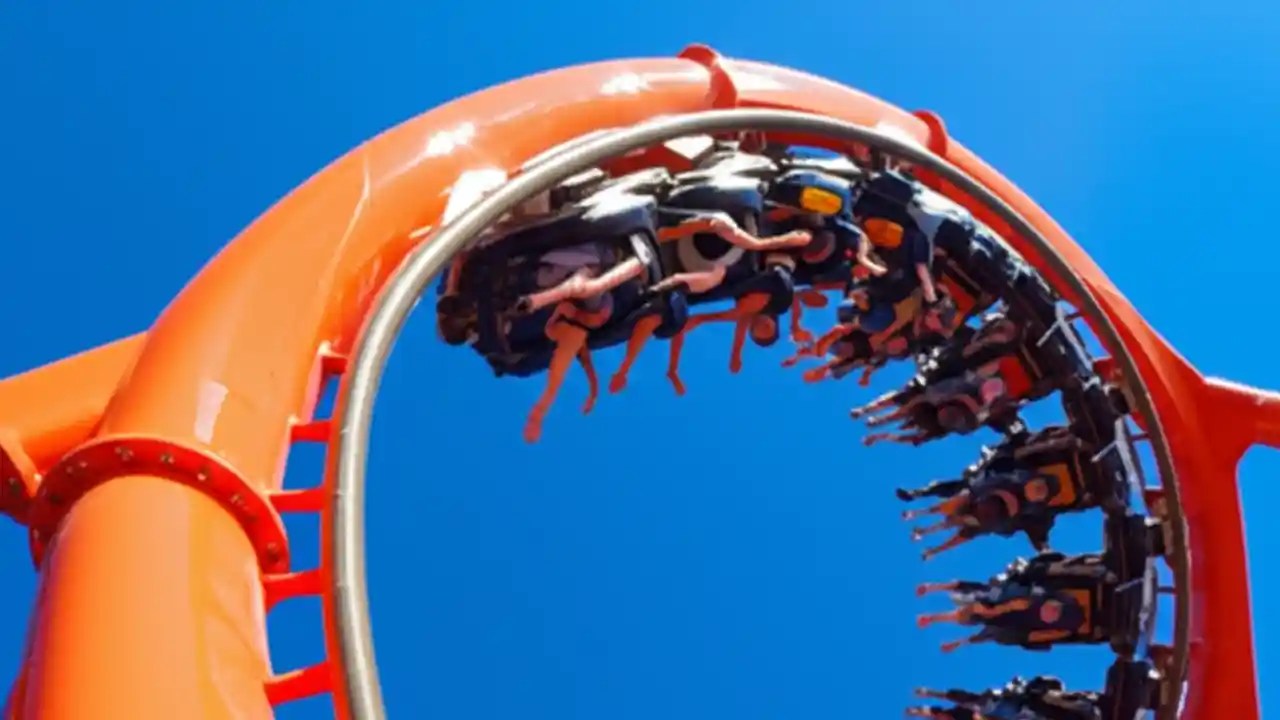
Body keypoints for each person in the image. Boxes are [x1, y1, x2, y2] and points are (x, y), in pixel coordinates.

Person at [605, 212, 812, 395]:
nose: (760, 324)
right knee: (734, 276)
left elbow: (702, 321)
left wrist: (672, 370)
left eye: (756, 329)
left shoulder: (741, 309)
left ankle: (660, 274)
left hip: (711, 261)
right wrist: (796, 328)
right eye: (766, 326)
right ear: (774, 321)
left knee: (684, 309)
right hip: (748, 240)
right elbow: (794, 301)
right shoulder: (776, 298)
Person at [916, 553, 1106, 653]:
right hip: (1042, 620)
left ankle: (1093, 570)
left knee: (1036, 569)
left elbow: (958, 585)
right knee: (1020, 641)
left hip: (1038, 596)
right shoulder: (992, 626)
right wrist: (951, 639)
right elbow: (970, 630)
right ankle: (1096, 633)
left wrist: (931, 587)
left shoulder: (988, 592)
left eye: (974, 607)